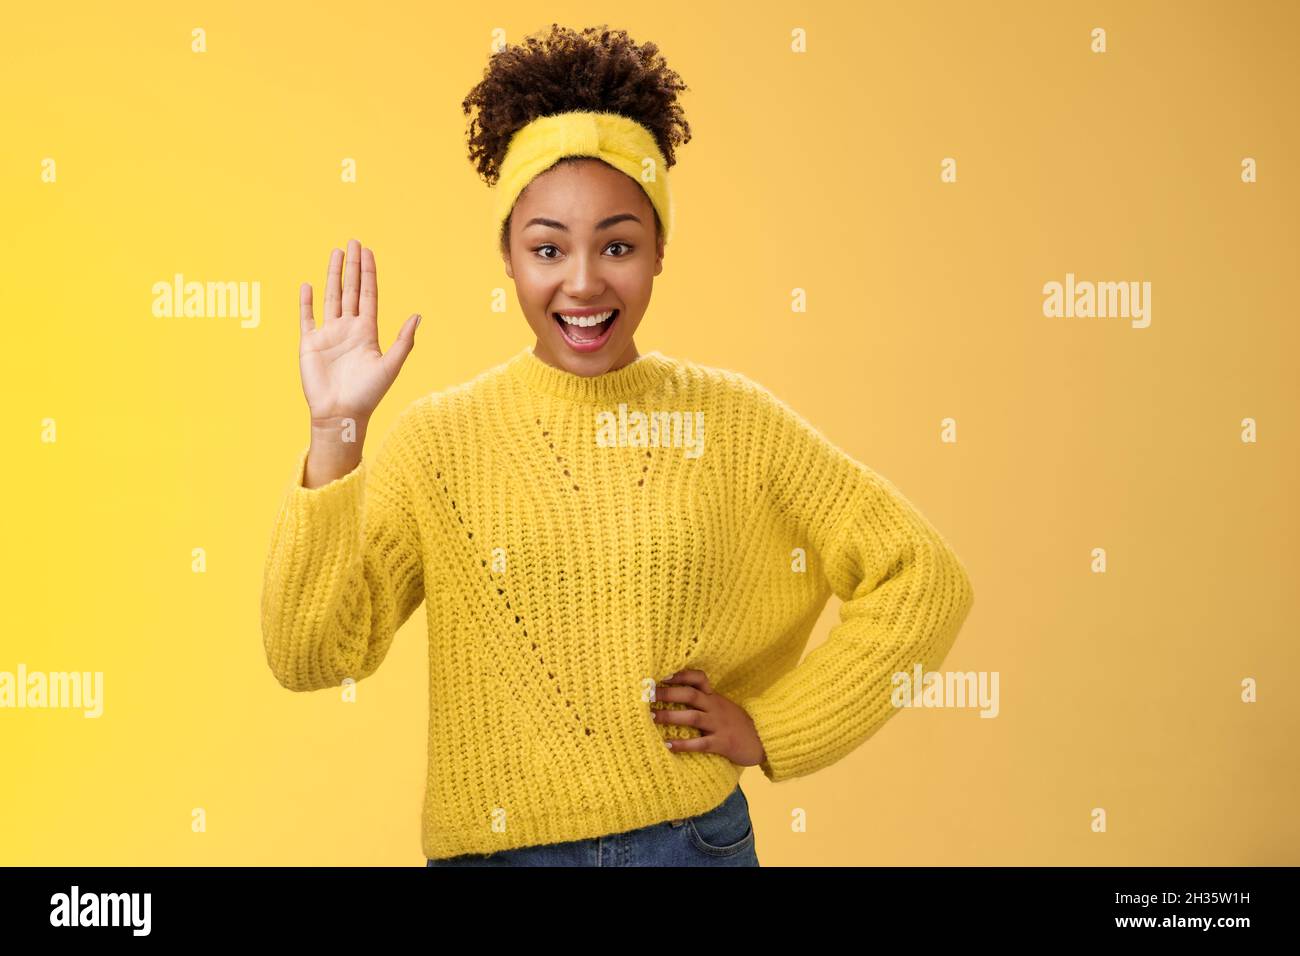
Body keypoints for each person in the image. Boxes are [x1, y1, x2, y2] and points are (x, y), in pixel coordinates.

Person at [260, 24, 975, 867]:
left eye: (619, 245)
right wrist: (334, 433)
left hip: (688, 845)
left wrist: (776, 729)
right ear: (509, 258)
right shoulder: (437, 444)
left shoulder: (732, 422)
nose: (584, 281)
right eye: (548, 248)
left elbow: (923, 578)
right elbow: (310, 658)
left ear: (660, 251)